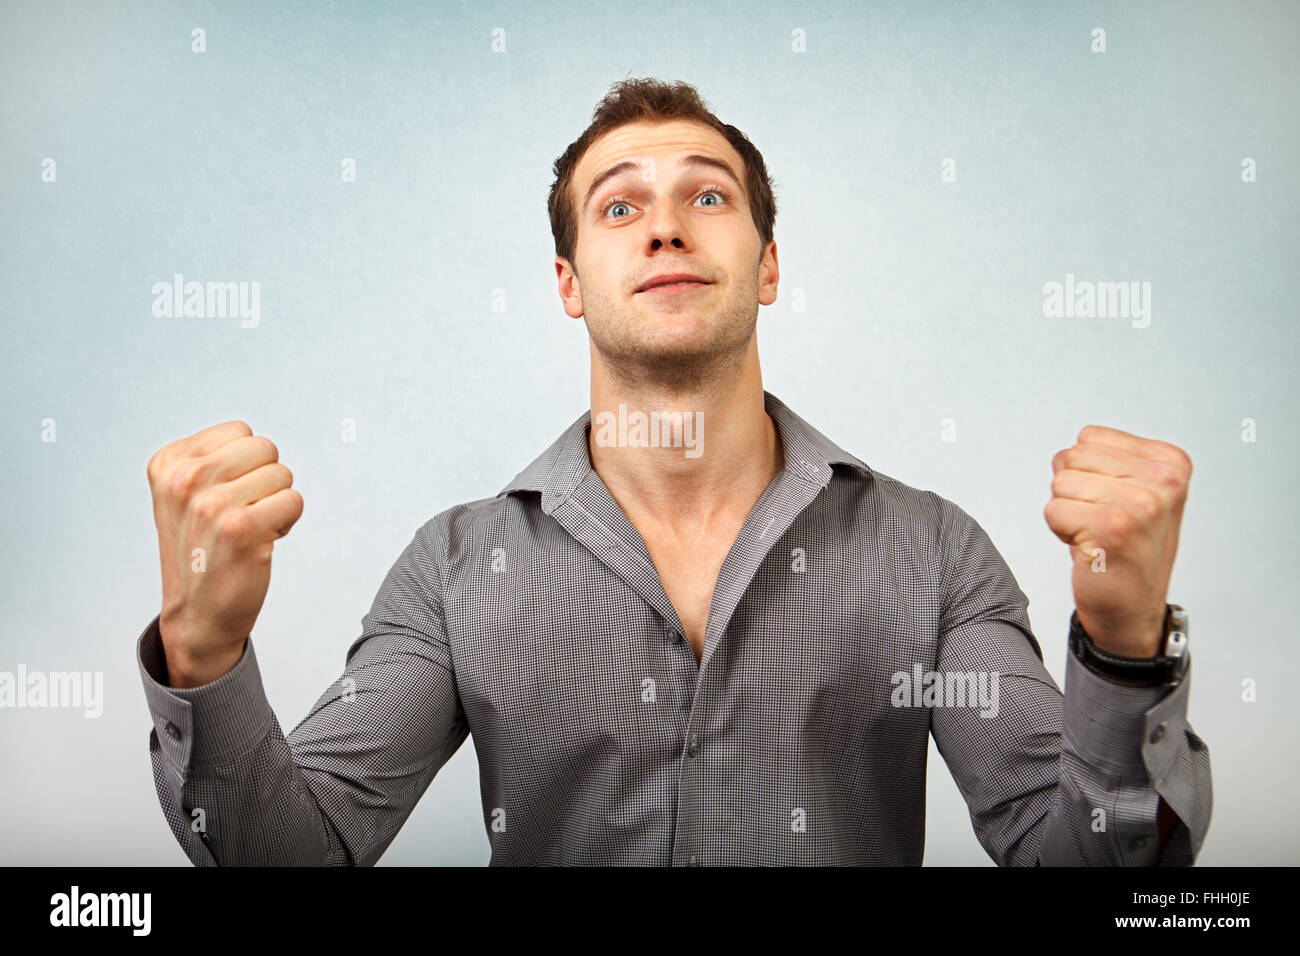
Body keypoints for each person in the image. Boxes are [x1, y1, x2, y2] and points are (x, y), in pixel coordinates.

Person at [137, 77, 1211, 866]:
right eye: (618, 205)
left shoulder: (932, 551)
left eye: (707, 197)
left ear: (768, 263)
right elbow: (293, 855)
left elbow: (1087, 866)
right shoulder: (452, 568)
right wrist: (205, 653)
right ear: (568, 282)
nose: (661, 225)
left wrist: (1121, 654)